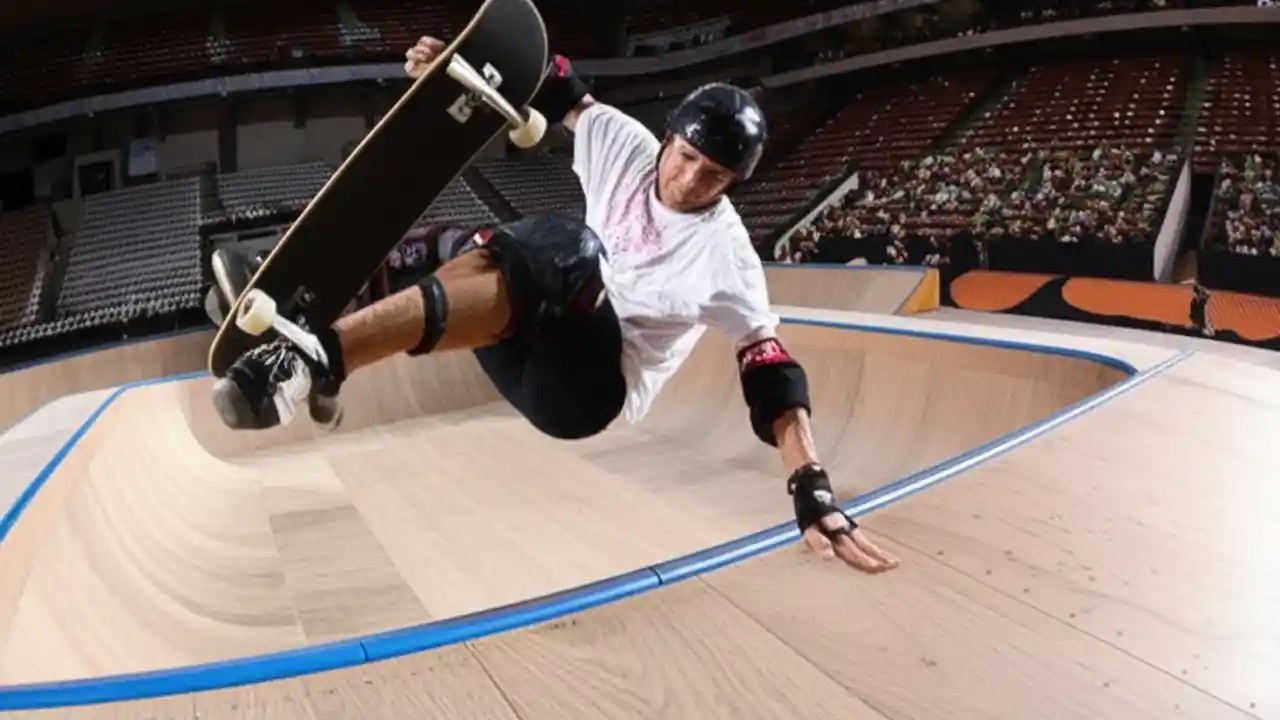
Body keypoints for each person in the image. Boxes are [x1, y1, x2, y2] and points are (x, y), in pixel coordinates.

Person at [210, 36, 900, 575]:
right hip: (525, 350)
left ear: (732, 183)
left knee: (568, 250)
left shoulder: (728, 259)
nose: (689, 180)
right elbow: (553, 80)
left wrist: (812, 491)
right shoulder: (623, 142)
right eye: (685, 157)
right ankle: (322, 334)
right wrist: (450, 65)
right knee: (473, 244)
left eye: (713, 176)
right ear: (667, 138)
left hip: (585, 393)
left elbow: (771, 372)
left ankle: (313, 357)